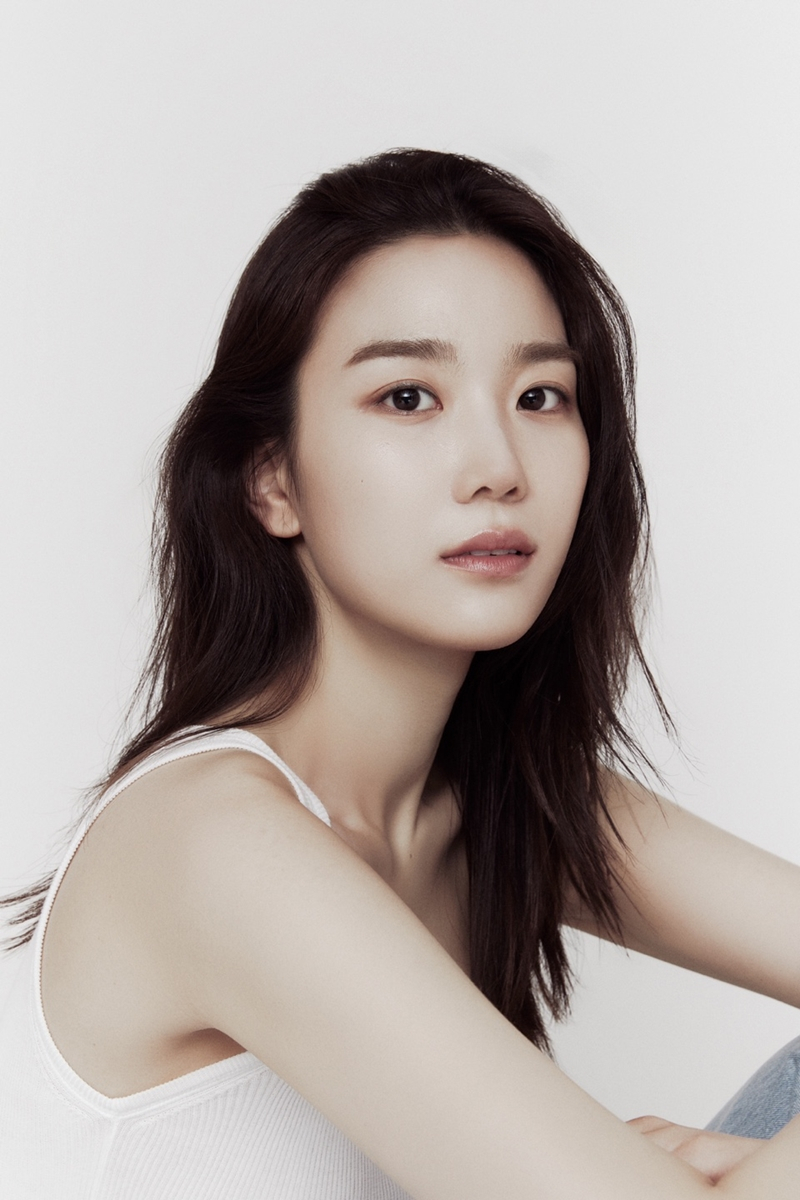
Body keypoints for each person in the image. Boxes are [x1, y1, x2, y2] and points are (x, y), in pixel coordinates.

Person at [0, 148, 798, 1199]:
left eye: (541, 395)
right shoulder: (209, 837)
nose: (497, 466)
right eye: (409, 396)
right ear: (272, 480)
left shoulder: (506, 800)